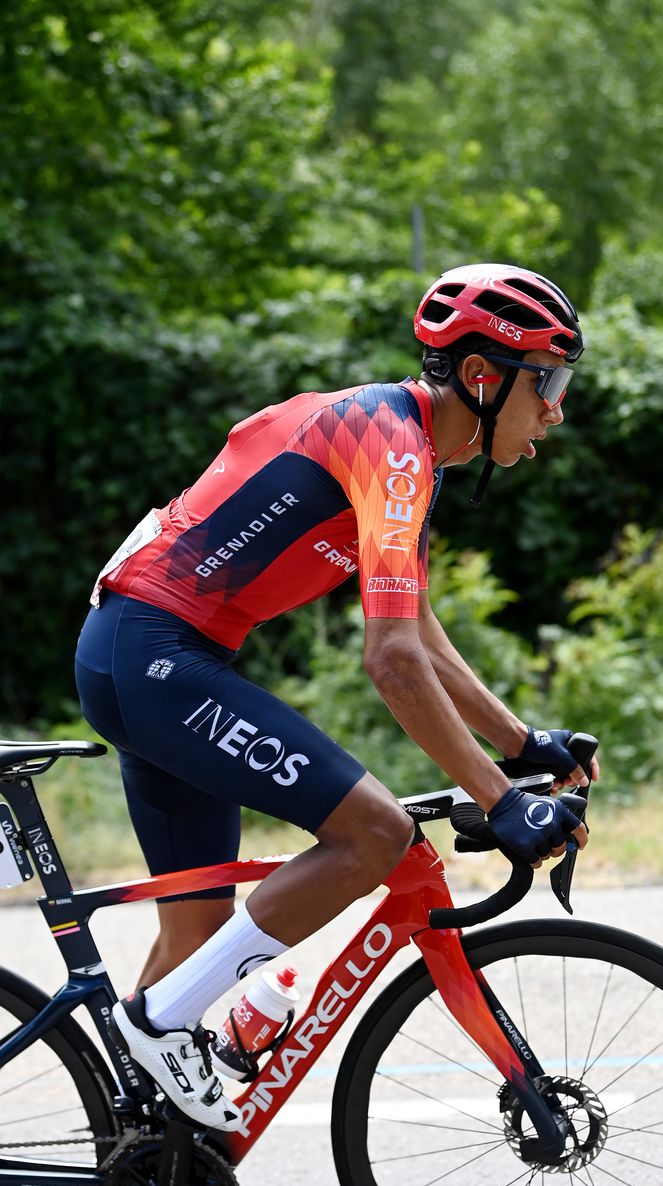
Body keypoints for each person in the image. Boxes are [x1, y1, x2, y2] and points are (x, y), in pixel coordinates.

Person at [75, 262, 597, 1130]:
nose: (556, 408)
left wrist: (517, 742)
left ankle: (131, 1151)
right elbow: (391, 661)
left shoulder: (398, 439)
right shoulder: (393, 449)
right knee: (376, 831)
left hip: (142, 655)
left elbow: (418, 627)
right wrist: (498, 801)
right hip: (157, 656)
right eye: (547, 382)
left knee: (197, 941)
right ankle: (156, 1027)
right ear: (482, 376)